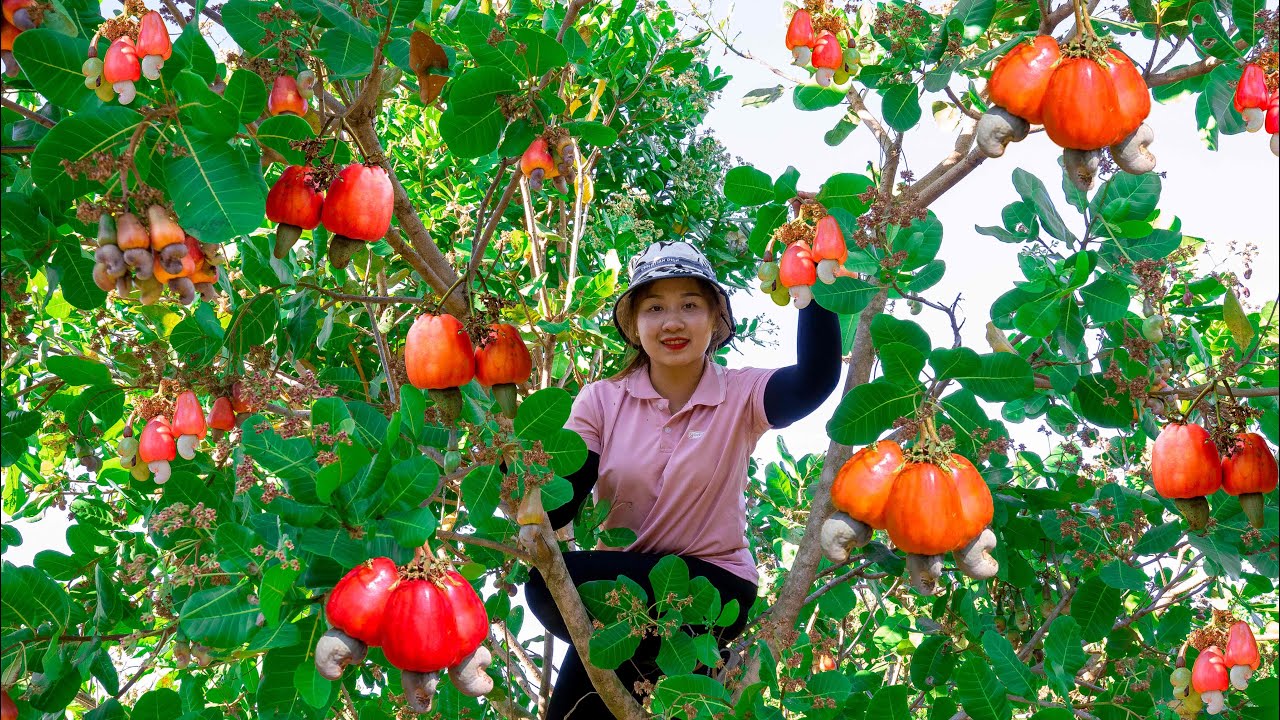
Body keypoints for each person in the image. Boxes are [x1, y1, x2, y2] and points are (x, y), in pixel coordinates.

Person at [523, 241, 842, 718]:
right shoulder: (601, 400)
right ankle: (689, 668)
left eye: (690, 305)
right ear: (634, 325)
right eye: (655, 308)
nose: (672, 322)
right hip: (623, 596)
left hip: (711, 588)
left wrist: (810, 275)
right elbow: (559, 505)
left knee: (564, 597)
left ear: (715, 319)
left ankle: (685, 659)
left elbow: (815, 379)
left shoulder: (741, 394)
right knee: (548, 590)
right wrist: (515, 463)